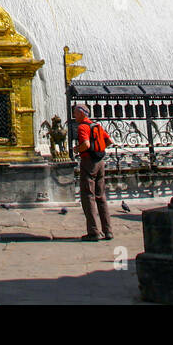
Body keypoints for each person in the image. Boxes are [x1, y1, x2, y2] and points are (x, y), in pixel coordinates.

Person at [72, 103, 112, 241]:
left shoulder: (83, 126)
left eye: (76, 113)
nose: (74, 116)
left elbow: (86, 145)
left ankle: (94, 231)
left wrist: (78, 149)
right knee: (101, 196)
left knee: (88, 195)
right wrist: (98, 151)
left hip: (88, 162)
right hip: (100, 162)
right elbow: (109, 141)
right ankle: (108, 231)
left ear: (82, 113)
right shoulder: (97, 126)